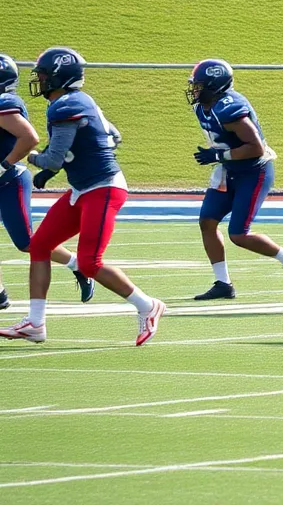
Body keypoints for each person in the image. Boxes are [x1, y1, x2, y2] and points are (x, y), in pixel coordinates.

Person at [1, 48, 164, 345]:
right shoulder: (79, 100)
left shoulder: (64, 105)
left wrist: (34, 161)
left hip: (102, 188)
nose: (39, 79)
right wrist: (64, 163)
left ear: (59, 77)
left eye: (44, 74)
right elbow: (113, 136)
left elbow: (53, 157)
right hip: (83, 187)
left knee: (90, 262)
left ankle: (148, 305)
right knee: (39, 244)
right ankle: (35, 324)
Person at [189, 59, 283, 300]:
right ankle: (223, 283)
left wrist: (218, 154)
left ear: (215, 85)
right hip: (228, 170)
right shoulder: (203, 107)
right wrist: (221, 157)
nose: (195, 90)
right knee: (207, 222)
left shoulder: (229, 108)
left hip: (254, 171)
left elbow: (256, 148)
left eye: (200, 85)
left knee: (239, 234)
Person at [0, 54, 93, 310]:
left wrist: (3, 165)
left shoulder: (4, 103)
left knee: (28, 243)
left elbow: (30, 138)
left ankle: (77, 265)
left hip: (9, 180)